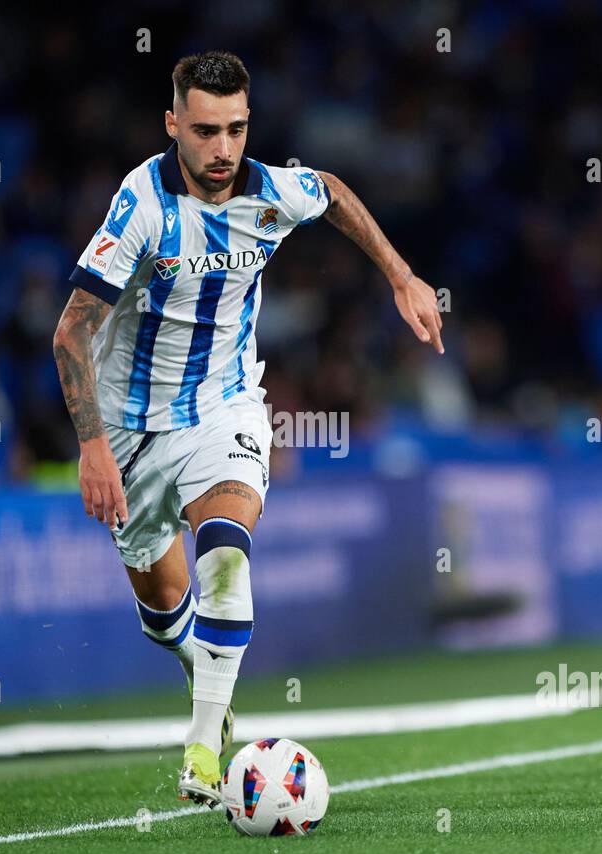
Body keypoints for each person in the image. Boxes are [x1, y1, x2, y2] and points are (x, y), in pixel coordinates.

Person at [52, 50, 444, 806]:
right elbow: (72, 332)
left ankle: (202, 754)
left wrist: (402, 276)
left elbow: (328, 191)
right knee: (167, 617)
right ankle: (208, 682)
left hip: (223, 409)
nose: (221, 149)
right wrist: (93, 446)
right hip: (130, 433)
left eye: (234, 129)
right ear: (173, 125)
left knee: (225, 560)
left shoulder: (268, 191)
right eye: (204, 131)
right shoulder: (141, 205)